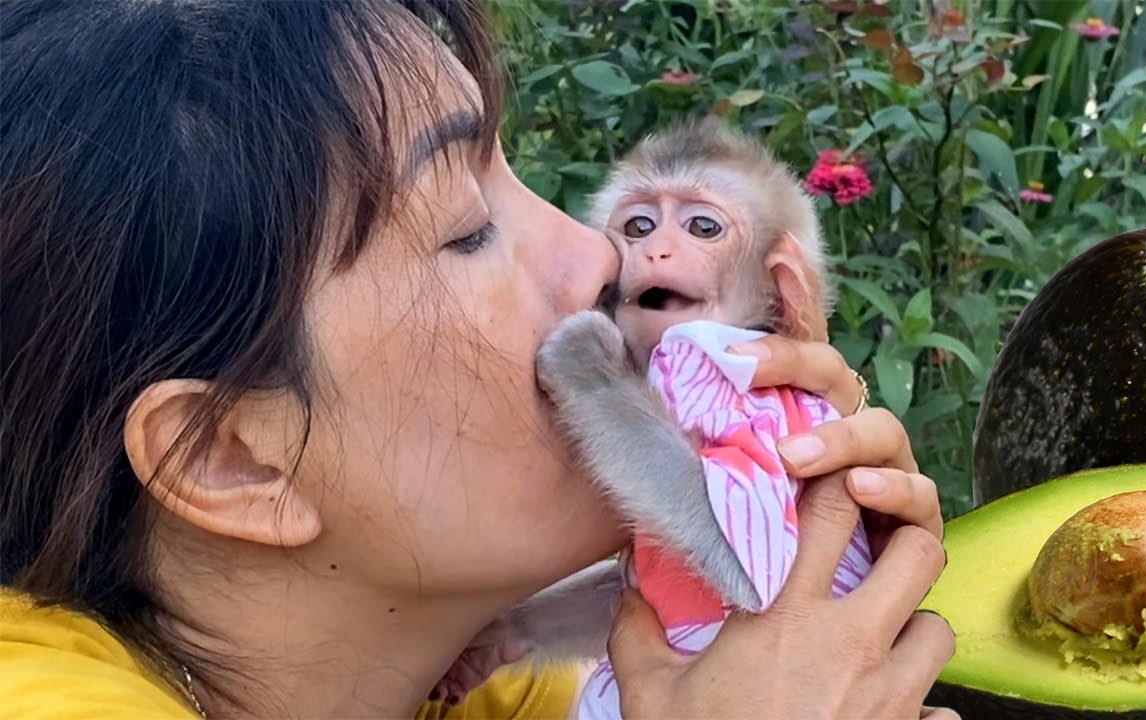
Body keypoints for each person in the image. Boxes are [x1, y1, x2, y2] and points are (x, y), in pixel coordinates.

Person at [0, 1, 955, 718]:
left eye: (516, 175)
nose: (600, 257)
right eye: (466, 229)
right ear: (234, 457)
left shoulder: (476, 685)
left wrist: (804, 544)